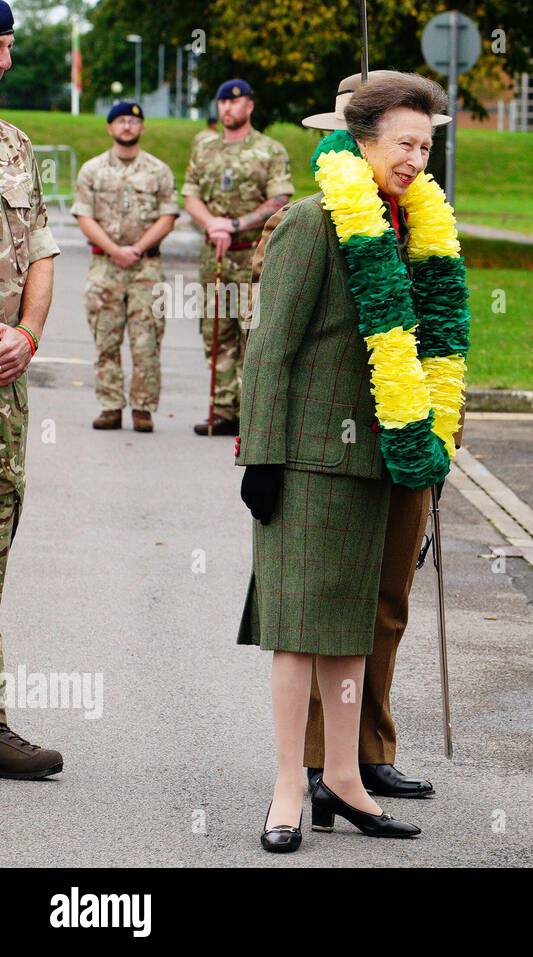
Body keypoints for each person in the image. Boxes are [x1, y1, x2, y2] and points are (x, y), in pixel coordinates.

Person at [236, 70, 468, 852]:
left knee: (349, 636)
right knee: (298, 635)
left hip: (376, 464)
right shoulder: (313, 220)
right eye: (404, 142)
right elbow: (271, 348)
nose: (416, 156)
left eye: (426, 144)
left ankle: (345, 779)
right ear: (361, 140)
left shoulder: (408, 228)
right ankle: (284, 793)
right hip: (305, 461)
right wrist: (261, 455)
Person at [0, 2, 63, 780]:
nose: (8, 63)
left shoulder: (15, 147)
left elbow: (43, 247)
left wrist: (27, 333)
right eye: (0, 46)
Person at [182, 78, 292, 436]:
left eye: (236, 101)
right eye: (222, 102)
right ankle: (223, 409)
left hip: (253, 258)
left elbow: (279, 200)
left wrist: (234, 224)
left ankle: (253, 414)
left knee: (253, 333)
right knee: (215, 331)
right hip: (214, 255)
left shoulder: (269, 150)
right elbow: (190, 194)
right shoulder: (204, 147)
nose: (228, 108)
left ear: (250, 106)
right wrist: (212, 224)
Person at [72, 101, 178, 433]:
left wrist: (136, 248)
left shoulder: (158, 170)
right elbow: (84, 216)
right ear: (110, 127)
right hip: (105, 266)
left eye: (133, 121)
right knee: (106, 337)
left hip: (146, 267)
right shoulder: (92, 170)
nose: (127, 126)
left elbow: (168, 215)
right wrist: (115, 249)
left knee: (147, 339)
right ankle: (110, 406)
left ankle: (143, 409)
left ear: (142, 127)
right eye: (121, 121)